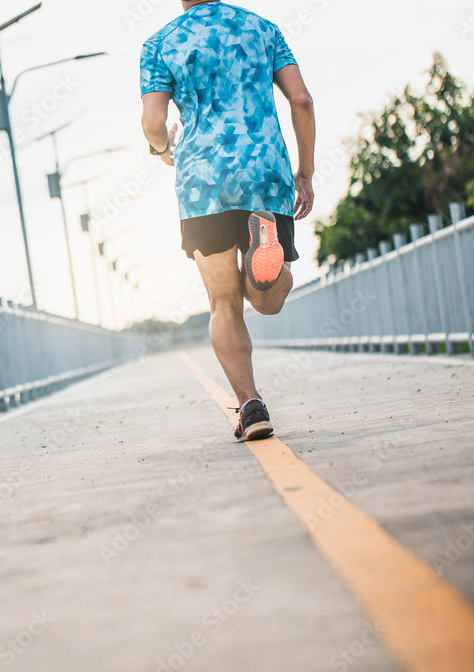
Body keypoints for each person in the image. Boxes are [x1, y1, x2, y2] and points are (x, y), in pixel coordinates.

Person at [140, 0, 316, 442]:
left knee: (222, 301)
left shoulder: (160, 44)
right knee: (268, 301)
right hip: (265, 174)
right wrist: (306, 173)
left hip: (203, 182)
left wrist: (162, 150)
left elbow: (154, 121)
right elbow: (301, 100)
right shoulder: (263, 29)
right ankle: (264, 256)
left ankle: (251, 406)